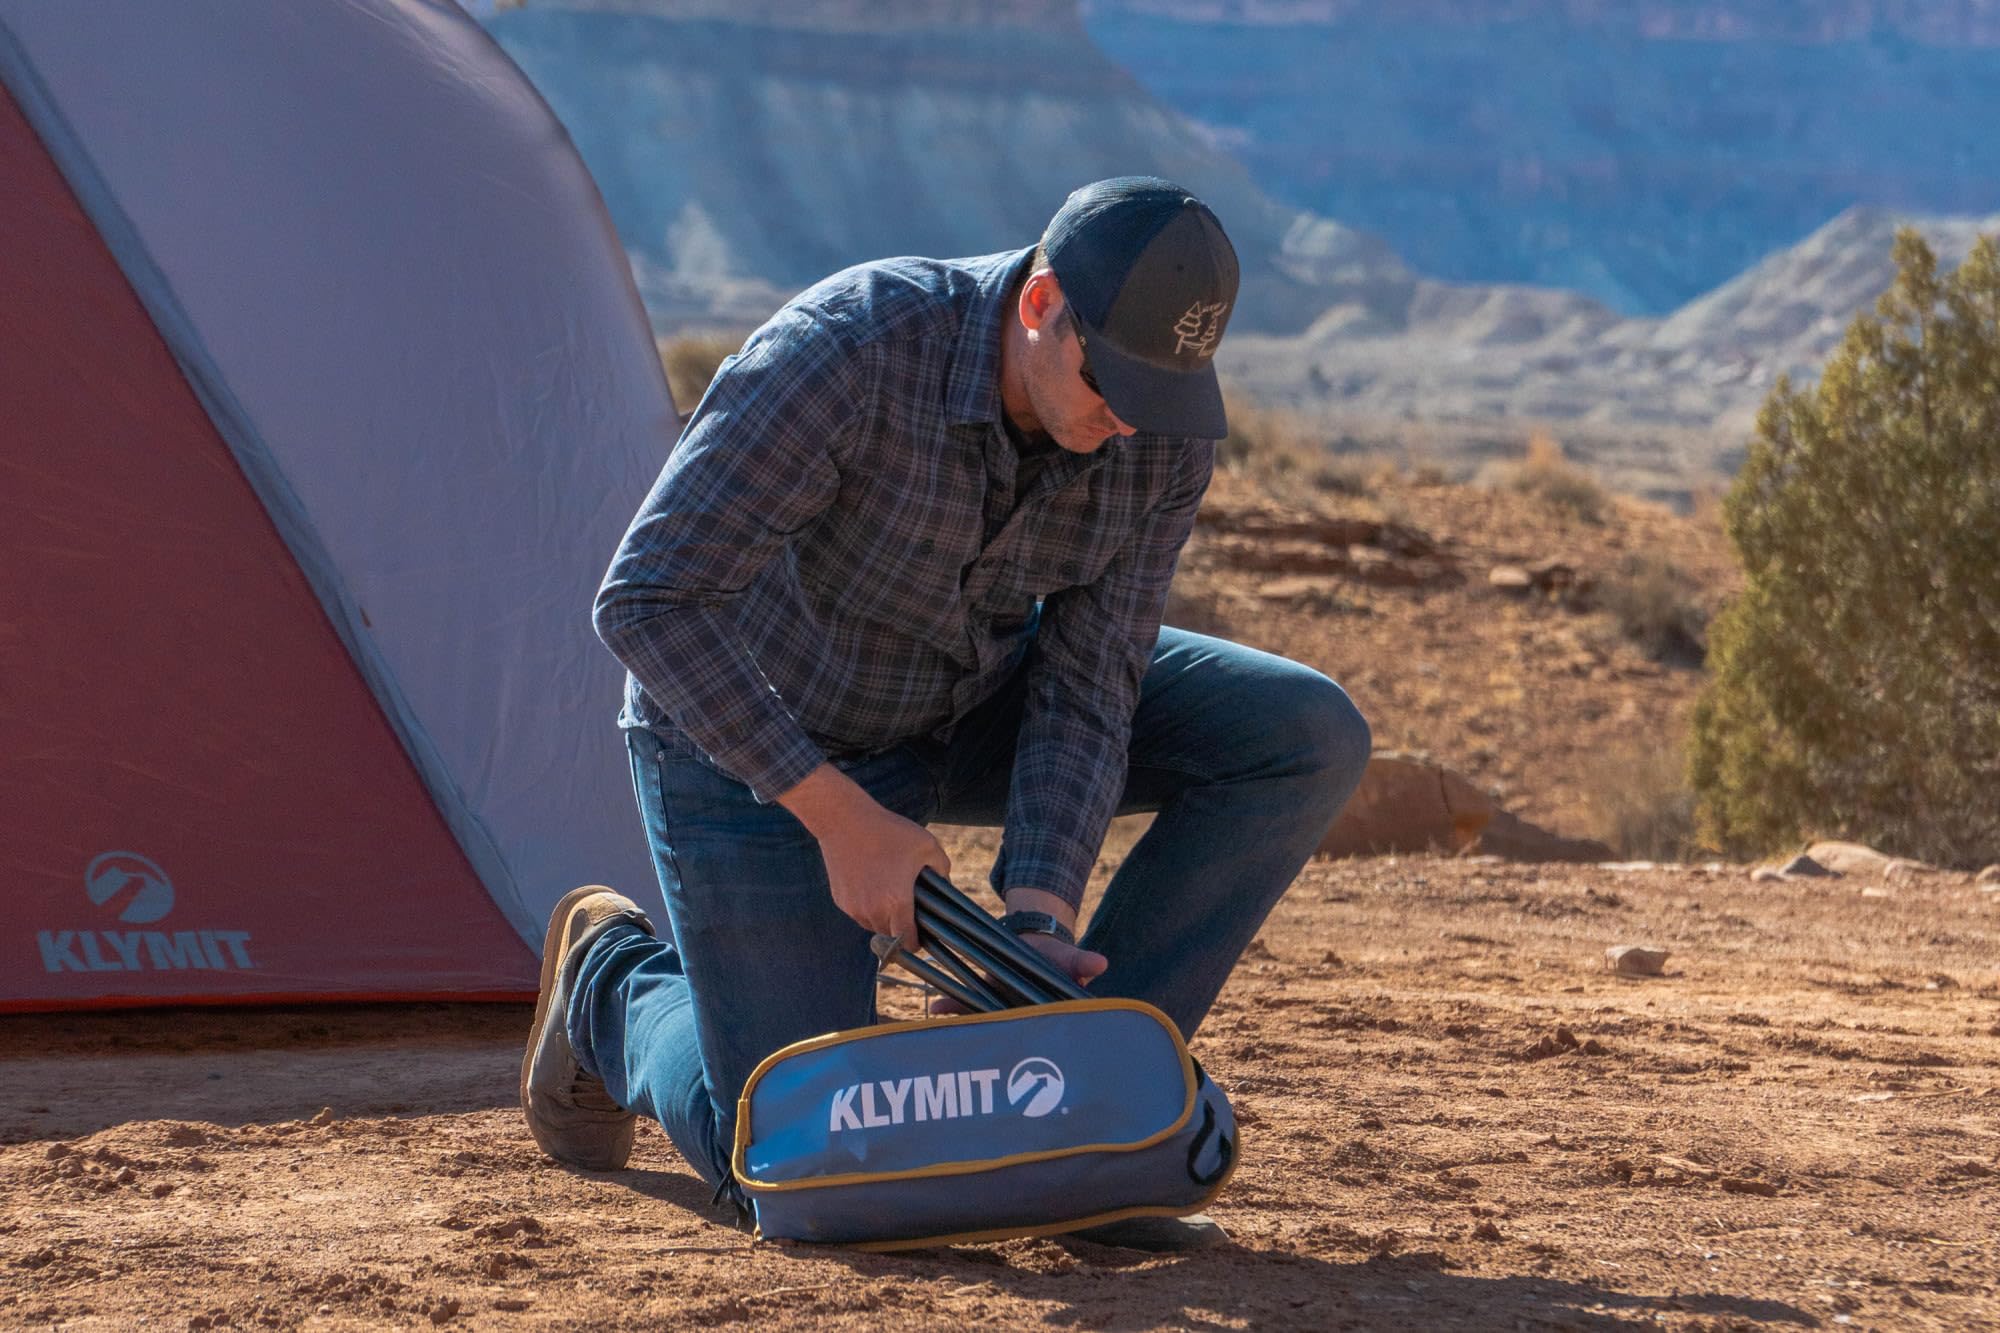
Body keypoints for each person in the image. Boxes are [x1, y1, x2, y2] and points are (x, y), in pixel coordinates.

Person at [521, 177, 1372, 1220]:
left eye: (1158, 395)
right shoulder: (850, 352)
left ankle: (1088, 1117)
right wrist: (841, 819)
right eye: (1110, 384)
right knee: (797, 1173)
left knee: (1299, 733)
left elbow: (1090, 674)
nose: (1124, 426)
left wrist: (1037, 910)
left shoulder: (1154, 427)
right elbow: (647, 600)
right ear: (1039, 304)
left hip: (964, 699)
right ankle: (613, 984)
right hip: (757, 735)